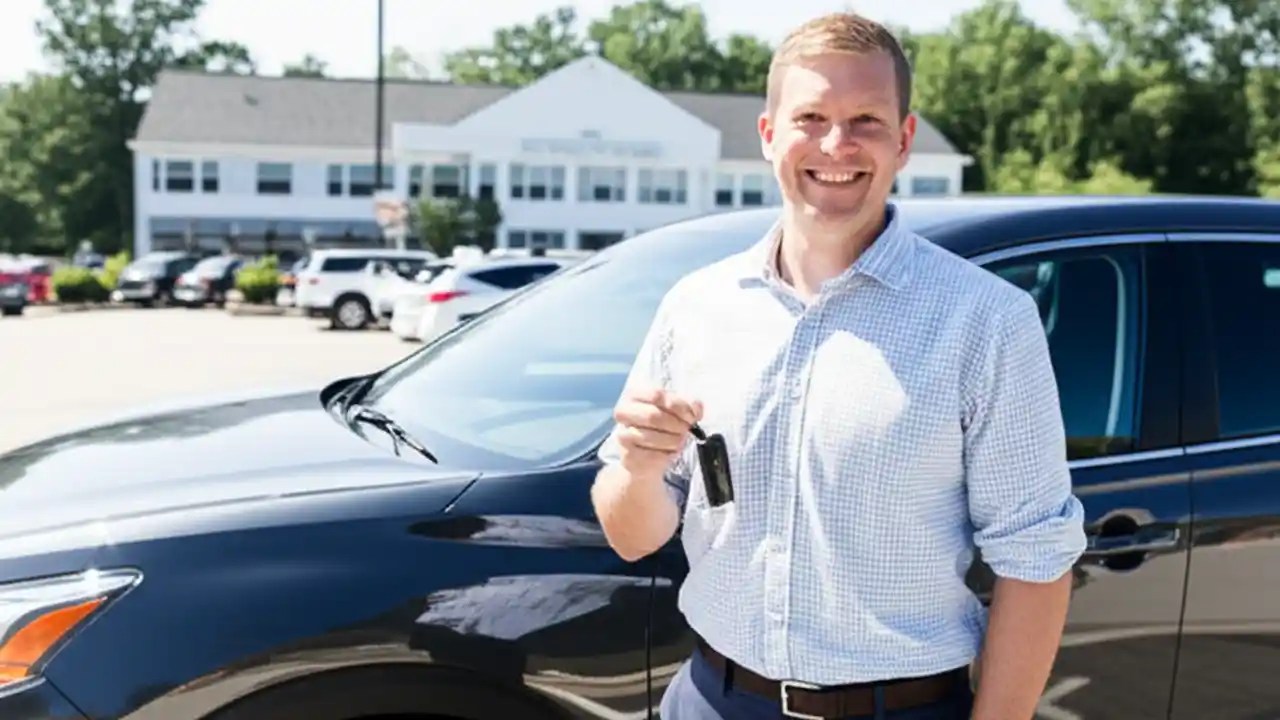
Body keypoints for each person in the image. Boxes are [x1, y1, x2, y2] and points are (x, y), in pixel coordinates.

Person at [590, 10, 1088, 720]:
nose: (836, 144)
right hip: (710, 699)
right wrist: (637, 471)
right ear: (769, 135)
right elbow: (632, 535)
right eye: (811, 117)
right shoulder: (695, 307)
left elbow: (1036, 561)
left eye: (865, 121)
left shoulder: (986, 321)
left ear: (905, 140)